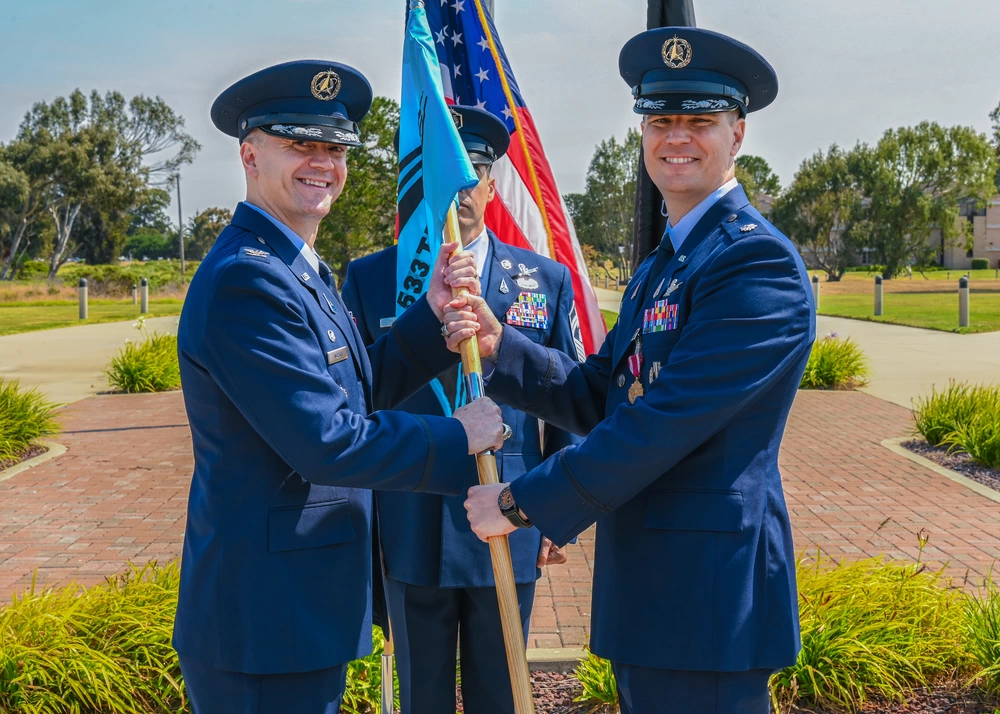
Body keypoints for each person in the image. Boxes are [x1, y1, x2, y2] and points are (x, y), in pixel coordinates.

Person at [460, 28, 816, 713]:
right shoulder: (666, 263)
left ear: (737, 135)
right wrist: (500, 343)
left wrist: (520, 502)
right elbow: (604, 394)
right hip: (654, 592)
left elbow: (662, 422)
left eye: (700, 122)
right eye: (660, 120)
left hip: (709, 600)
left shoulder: (754, 263)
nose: (676, 137)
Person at [173, 60, 504, 714]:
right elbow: (325, 441)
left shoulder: (294, 266)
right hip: (266, 621)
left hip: (296, 609)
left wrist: (429, 319)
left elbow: (353, 390)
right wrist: (456, 438)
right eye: (300, 144)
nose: (322, 163)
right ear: (250, 155)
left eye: (336, 148)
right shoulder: (249, 279)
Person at [342, 105, 582, 714]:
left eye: (472, 174)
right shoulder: (373, 278)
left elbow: (570, 403)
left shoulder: (542, 279)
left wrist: (558, 510)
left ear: (492, 184)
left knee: (501, 694)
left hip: (510, 510)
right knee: (421, 696)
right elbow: (354, 401)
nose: (460, 191)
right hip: (410, 518)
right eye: (444, 176)